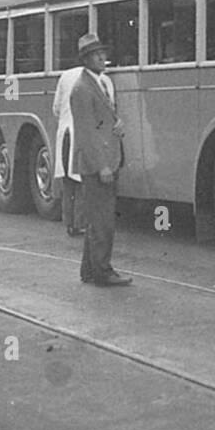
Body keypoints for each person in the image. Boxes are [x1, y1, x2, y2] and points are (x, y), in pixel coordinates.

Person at [70, 33, 131, 287]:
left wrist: (116, 125)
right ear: (86, 59)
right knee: (103, 220)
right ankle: (103, 272)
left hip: (107, 158)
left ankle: (89, 270)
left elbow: (100, 121)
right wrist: (102, 165)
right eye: (97, 55)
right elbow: (86, 132)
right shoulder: (82, 88)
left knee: (98, 218)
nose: (103, 58)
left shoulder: (98, 83)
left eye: (103, 53)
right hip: (98, 165)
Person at [52, 62, 86, 237]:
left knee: (68, 182)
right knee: (81, 180)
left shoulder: (65, 75)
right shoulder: (95, 77)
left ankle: (69, 223)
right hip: (80, 134)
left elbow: (56, 108)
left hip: (64, 133)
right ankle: (80, 223)